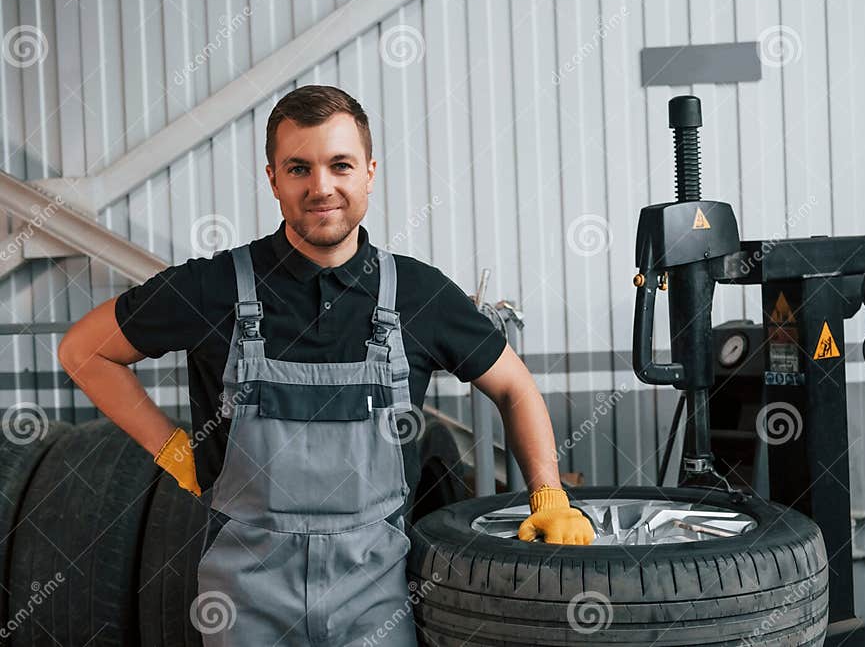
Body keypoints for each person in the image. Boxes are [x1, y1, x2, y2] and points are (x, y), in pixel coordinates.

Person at [58, 84, 594, 646]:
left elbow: (514, 386)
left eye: (340, 165)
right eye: (299, 168)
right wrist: (172, 449)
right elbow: (84, 351)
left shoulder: (418, 293)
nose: (321, 187)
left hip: (377, 600)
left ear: (369, 172)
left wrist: (547, 494)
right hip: (245, 603)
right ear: (273, 179)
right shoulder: (211, 288)